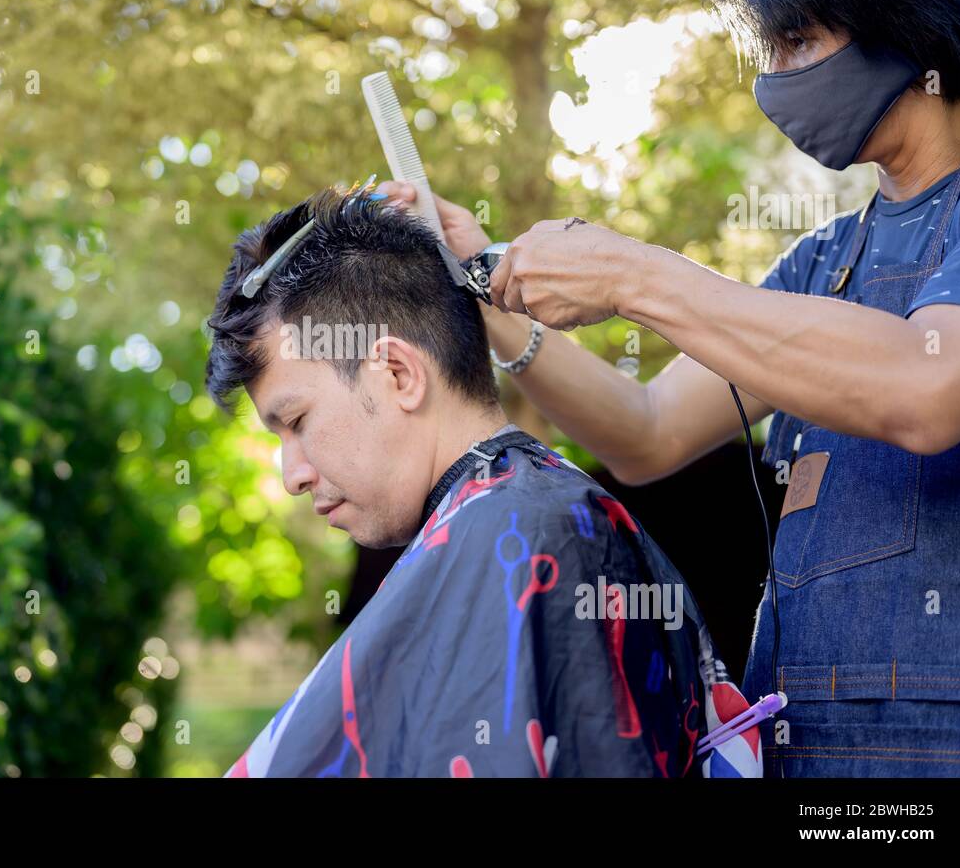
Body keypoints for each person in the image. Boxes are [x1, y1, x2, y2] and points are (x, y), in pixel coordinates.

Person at [376, 0, 960, 778]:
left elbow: (935, 383)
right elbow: (646, 428)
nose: (774, 83)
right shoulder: (822, 262)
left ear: (903, 10)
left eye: (798, 40)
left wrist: (636, 276)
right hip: (808, 757)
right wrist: (480, 282)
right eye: (765, 51)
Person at [205, 185, 760, 777]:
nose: (292, 476)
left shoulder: (539, 532)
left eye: (296, 422)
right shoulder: (504, 525)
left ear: (397, 373)